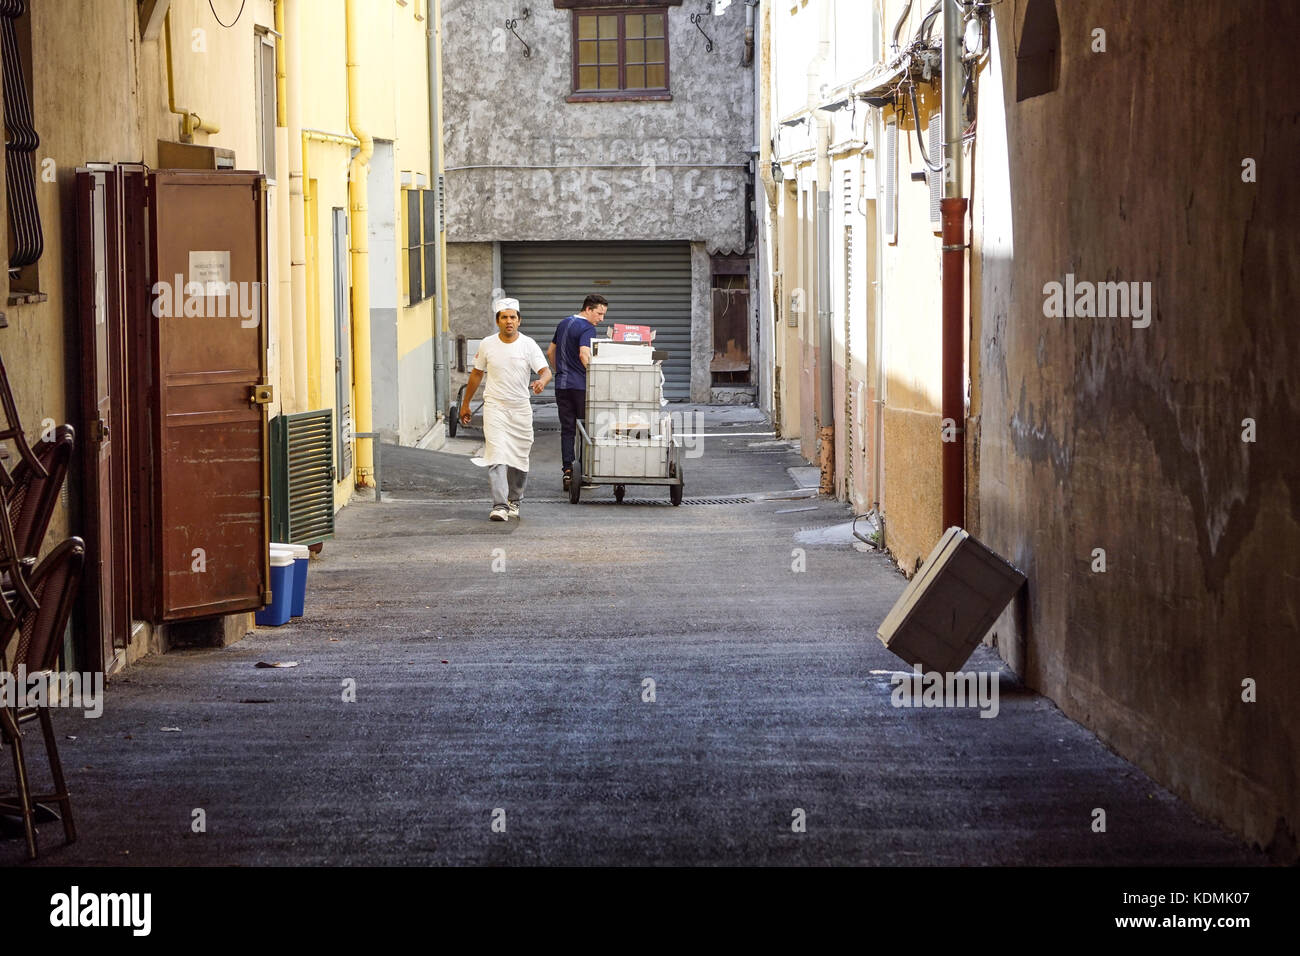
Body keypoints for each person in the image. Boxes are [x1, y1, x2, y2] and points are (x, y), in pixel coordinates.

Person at [459, 298, 552, 520]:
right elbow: (476, 374)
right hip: (495, 406)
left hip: (520, 408)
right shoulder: (487, 344)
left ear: (519, 321)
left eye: (512, 317)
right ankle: (500, 505)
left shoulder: (528, 345)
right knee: (497, 453)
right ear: (498, 321)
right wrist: (465, 404)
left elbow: (546, 371)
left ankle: (514, 500)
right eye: (504, 317)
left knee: (519, 456)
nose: (508, 321)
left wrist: (542, 382)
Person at [547, 294, 608, 490]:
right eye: (599, 313)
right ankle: (582, 474)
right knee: (585, 430)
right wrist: (595, 375)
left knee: (567, 429)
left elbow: (550, 352)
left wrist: (560, 371)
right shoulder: (587, 328)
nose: (601, 319)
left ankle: (568, 472)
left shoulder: (563, 323)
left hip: (562, 386)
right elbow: (584, 354)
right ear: (588, 309)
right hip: (581, 386)